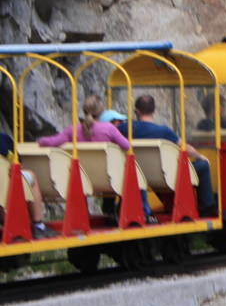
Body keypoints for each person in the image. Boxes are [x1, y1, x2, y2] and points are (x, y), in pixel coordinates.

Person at [38, 95, 154, 223]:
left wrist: (40, 141)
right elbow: (127, 146)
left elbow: (53, 141)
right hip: (109, 180)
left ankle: (108, 211)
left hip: (80, 180)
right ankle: (143, 213)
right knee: (132, 172)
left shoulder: (73, 130)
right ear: (102, 112)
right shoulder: (109, 129)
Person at [118, 95, 218, 218]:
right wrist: (200, 156)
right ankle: (206, 206)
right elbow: (184, 147)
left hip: (137, 175)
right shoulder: (163, 131)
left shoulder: (125, 128)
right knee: (202, 166)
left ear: (137, 111)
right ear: (154, 110)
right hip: (164, 176)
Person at [0, 131, 55, 239]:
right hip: (5, 183)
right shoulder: (3, 139)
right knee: (31, 176)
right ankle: (38, 225)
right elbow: (17, 161)